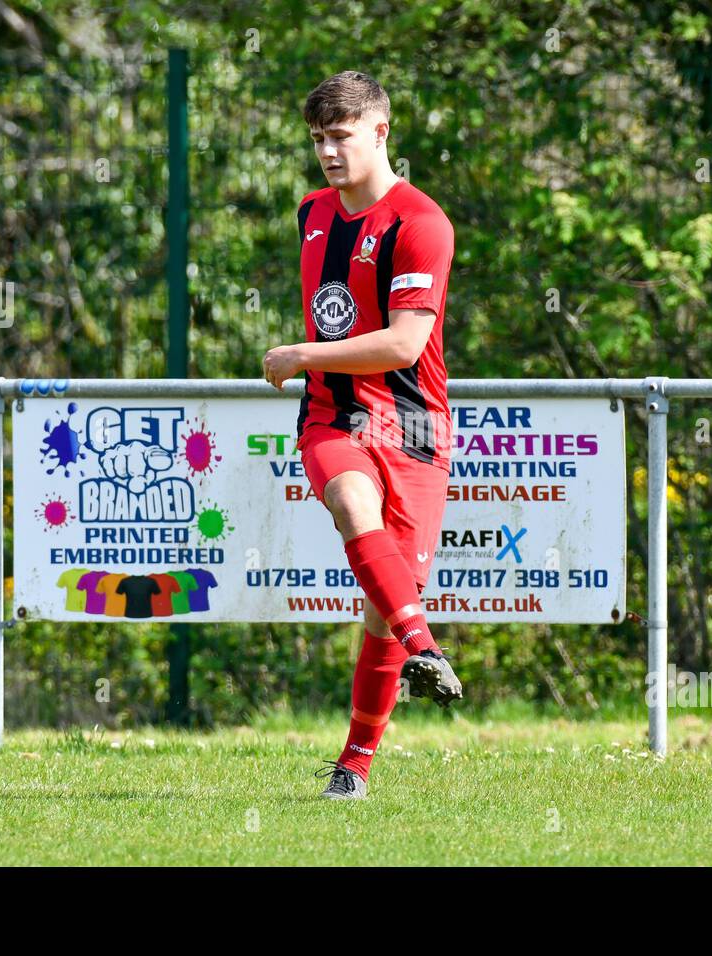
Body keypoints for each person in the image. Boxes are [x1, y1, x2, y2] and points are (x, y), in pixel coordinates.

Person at [262, 71, 461, 800]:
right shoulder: (312, 212)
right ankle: (427, 647)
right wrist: (317, 372)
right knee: (350, 503)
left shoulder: (422, 223)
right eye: (317, 138)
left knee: (383, 607)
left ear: (381, 131)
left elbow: (407, 345)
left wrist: (303, 353)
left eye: (340, 136)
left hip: (411, 425)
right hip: (335, 415)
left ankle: (355, 765)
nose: (326, 151)